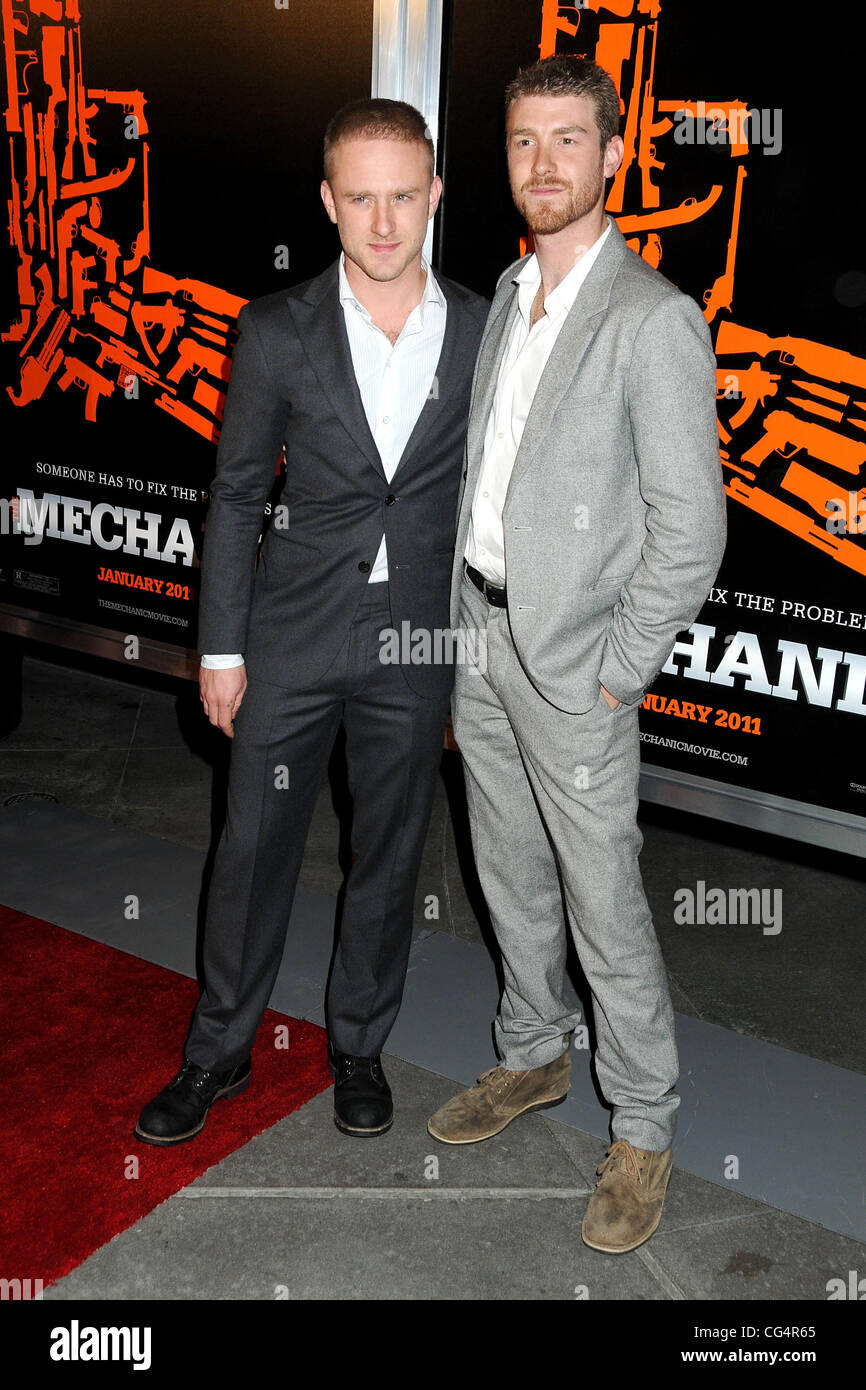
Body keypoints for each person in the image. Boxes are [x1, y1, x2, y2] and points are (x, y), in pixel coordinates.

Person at [136, 99, 488, 1145]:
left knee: (389, 852)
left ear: (432, 195)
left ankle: (358, 1045)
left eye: (403, 196)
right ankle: (217, 1054)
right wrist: (222, 645)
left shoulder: (478, 326)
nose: (384, 223)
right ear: (329, 202)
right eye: (360, 198)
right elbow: (237, 493)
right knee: (251, 848)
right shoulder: (274, 328)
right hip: (288, 635)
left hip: (413, 639)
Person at [427, 56, 727, 1254]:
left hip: (576, 666)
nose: (542, 164)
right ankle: (532, 1055)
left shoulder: (652, 318)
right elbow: (483, 477)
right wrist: (463, 633)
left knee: (602, 899)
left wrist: (619, 666)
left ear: (612, 155)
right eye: (521, 143)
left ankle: (644, 1123)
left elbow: (689, 527)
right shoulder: (507, 291)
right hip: (482, 638)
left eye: (567, 141)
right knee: (505, 870)